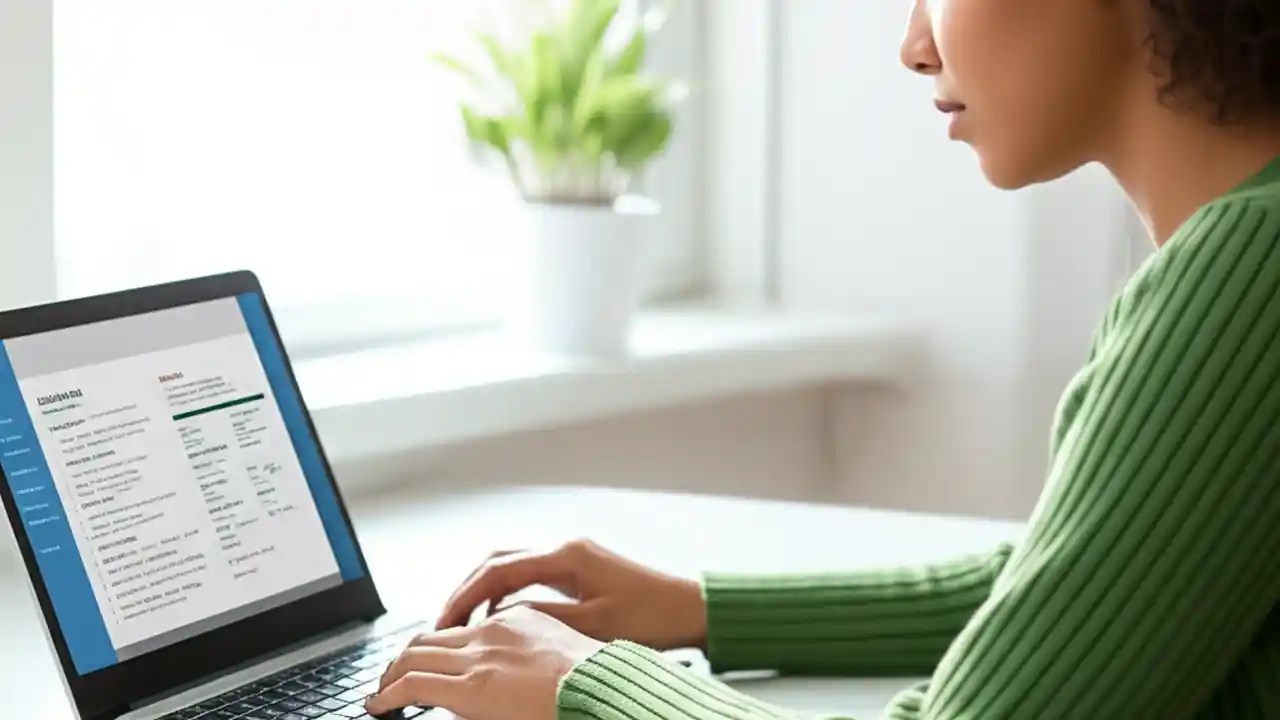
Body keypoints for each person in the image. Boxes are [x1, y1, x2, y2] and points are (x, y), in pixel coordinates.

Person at [366, 0, 1280, 717]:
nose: (914, 44)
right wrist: (700, 608)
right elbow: (1088, 583)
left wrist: (589, 682)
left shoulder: (1246, 272)